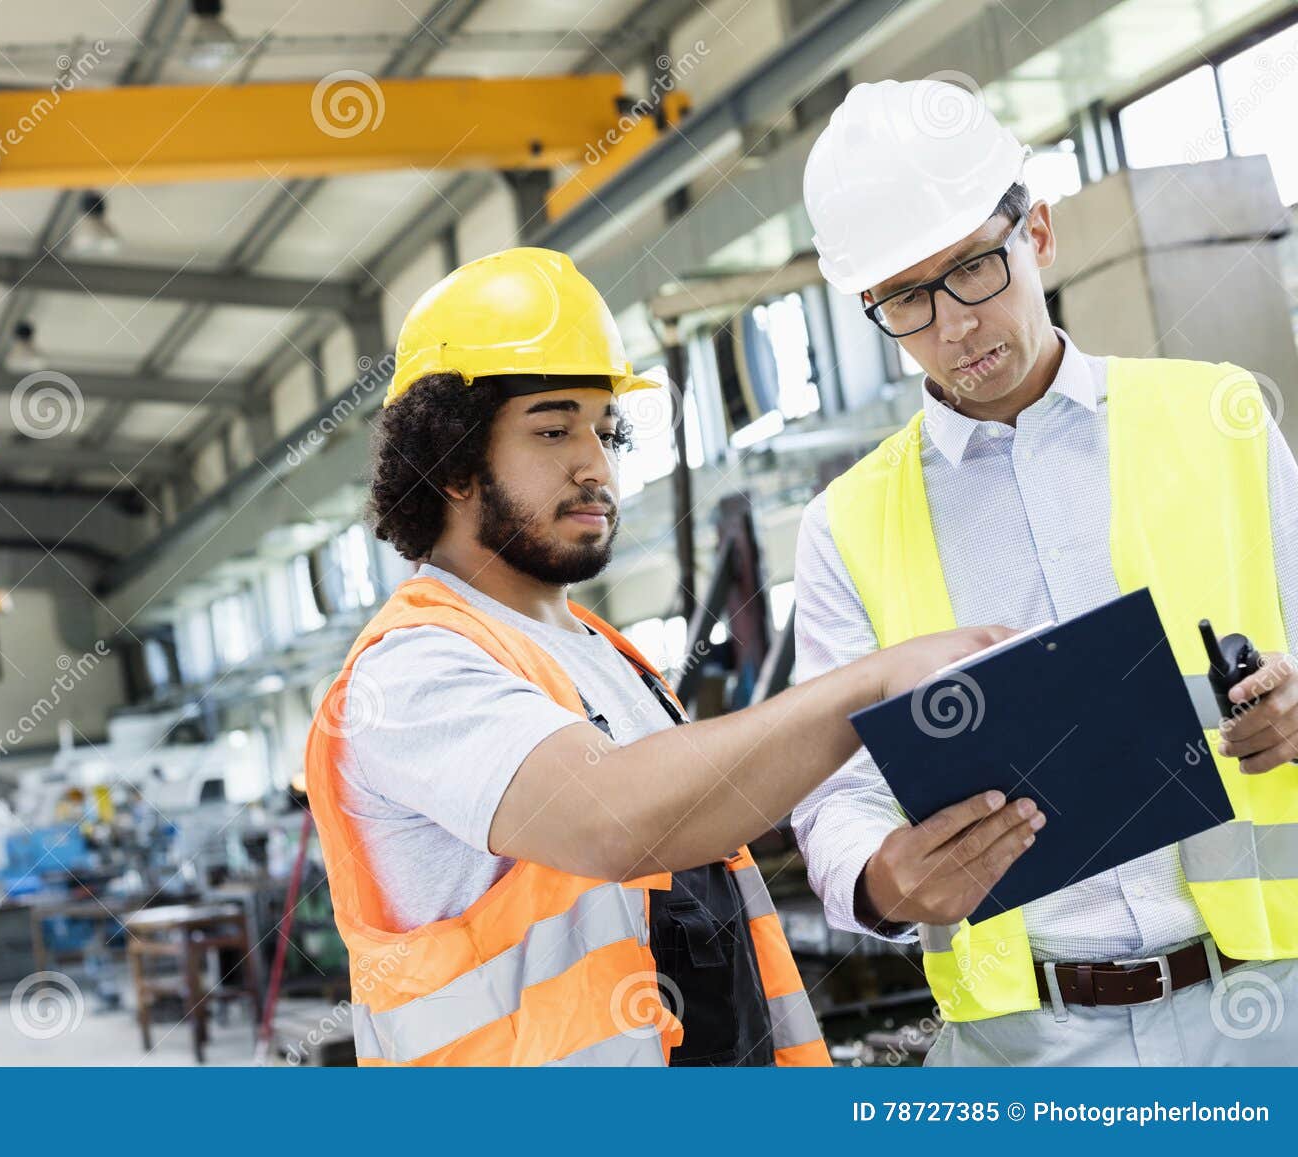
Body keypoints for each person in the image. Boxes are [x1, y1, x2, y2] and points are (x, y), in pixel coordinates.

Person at [303, 247, 1022, 1066]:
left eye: (606, 433)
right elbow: (612, 818)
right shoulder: (412, 669)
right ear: (453, 463)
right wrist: (874, 682)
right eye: (552, 428)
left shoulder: (610, 658)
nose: (595, 466)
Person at [792, 78, 1298, 1065]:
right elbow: (835, 795)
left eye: (975, 268)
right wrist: (884, 876)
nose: (952, 326)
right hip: (1027, 1046)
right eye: (904, 296)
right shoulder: (845, 526)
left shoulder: (1219, 416)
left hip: (1269, 1003)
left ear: (1040, 236)